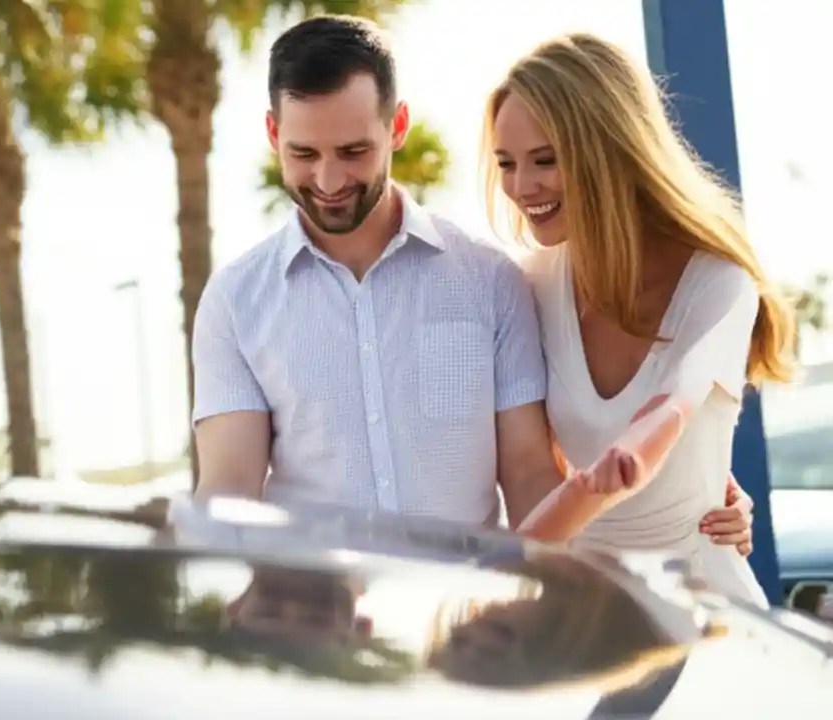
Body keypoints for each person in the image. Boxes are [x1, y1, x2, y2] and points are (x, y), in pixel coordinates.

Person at [188, 16, 753, 555]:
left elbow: (532, 470)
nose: (329, 180)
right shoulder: (236, 301)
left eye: (354, 152)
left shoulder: (492, 282)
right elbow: (229, 494)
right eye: (304, 154)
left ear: (397, 127)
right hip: (320, 635)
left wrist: (687, 486)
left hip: (464, 635)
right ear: (272, 134)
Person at [483, 32, 795, 605]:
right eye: (507, 164)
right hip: (589, 615)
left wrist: (637, 465)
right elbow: (535, 467)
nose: (522, 188)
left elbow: (671, 407)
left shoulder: (719, 282)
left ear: (608, 148)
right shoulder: (528, 284)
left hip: (708, 615)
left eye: (545, 160)